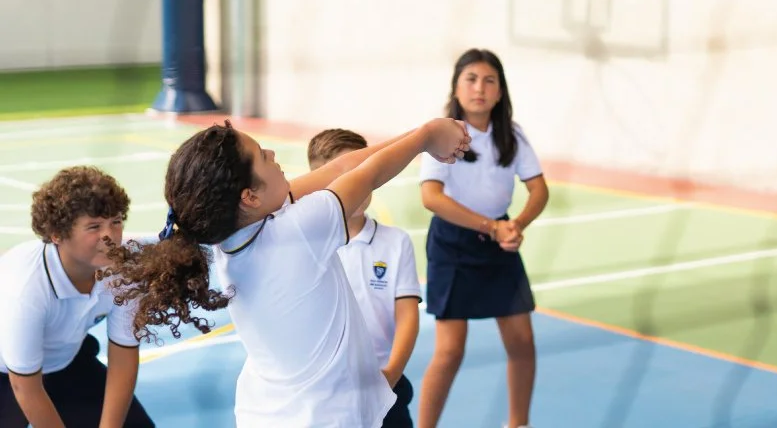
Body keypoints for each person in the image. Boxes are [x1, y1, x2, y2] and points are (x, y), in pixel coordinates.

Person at [102, 118, 470, 428]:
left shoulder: (232, 234)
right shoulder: (298, 231)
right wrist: (426, 137)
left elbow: (340, 169)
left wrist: (425, 135)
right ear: (250, 196)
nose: (273, 154)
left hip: (268, 414)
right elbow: (363, 174)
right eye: (263, 155)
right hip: (324, 418)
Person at [417, 49, 550, 428]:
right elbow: (431, 197)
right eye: (471, 79)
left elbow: (539, 190)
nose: (480, 88)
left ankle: (518, 423)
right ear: (456, 88)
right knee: (450, 352)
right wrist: (491, 227)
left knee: (522, 342)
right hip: (453, 246)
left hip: (499, 246)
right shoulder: (442, 134)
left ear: (500, 91)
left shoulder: (513, 135)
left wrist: (516, 225)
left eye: (489, 80)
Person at [0, 166, 154, 428]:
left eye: (116, 221)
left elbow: (124, 353)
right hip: (8, 374)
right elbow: (25, 387)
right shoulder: (26, 289)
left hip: (65, 360)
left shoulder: (124, 269)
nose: (110, 236)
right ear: (57, 234)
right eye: (94, 226)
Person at [307, 127, 422, 428]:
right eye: (345, 177)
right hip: (325, 392)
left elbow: (407, 316)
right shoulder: (308, 245)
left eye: (362, 173)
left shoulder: (395, 242)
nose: (356, 185)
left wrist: (392, 374)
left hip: (383, 383)